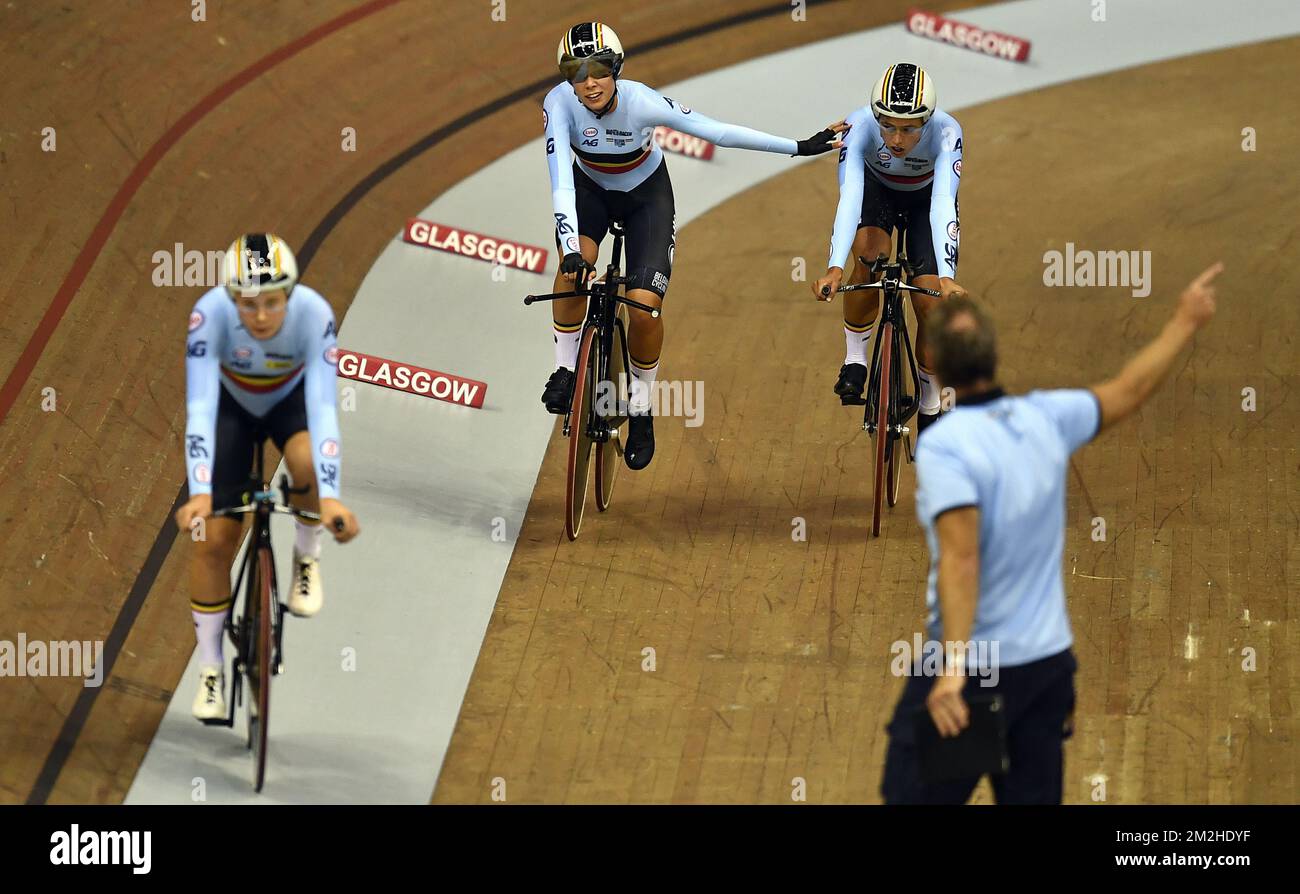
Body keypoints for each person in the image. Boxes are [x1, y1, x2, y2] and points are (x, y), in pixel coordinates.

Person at [880, 263, 1221, 804]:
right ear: (994, 357)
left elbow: (962, 560)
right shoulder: (1046, 418)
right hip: (1045, 669)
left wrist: (951, 672)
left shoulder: (947, 445)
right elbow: (1131, 388)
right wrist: (1184, 321)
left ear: (934, 365)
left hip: (975, 671)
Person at [543, 21, 845, 469]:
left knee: (644, 306)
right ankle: (566, 371)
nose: (588, 83)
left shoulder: (642, 101)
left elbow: (716, 131)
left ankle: (641, 407)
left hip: (646, 197)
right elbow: (561, 183)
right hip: (589, 194)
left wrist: (798, 147)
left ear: (616, 69)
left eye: (599, 69)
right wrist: (570, 245)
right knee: (573, 272)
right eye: (576, 72)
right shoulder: (559, 103)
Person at [175, 233, 360, 722]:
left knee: (304, 464)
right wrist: (199, 494)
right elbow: (198, 408)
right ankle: (211, 671)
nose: (260, 316)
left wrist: (333, 499)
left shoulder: (314, 315)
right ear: (231, 299)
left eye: (272, 302)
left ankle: (306, 555)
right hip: (229, 408)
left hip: (289, 402)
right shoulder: (208, 315)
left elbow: (322, 409)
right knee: (213, 541)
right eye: (249, 304)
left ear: (291, 295)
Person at [812, 62, 967, 437]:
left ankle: (930, 402)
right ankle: (855, 360)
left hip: (926, 199)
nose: (896, 139)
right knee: (867, 259)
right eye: (889, 126)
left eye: (909, 128)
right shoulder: (860, 125)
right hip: (875, 191)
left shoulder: (947, 132)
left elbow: (944, 200)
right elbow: (850, 196)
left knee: (930, 301)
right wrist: (834, 266)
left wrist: (945, 278)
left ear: (927, 121)